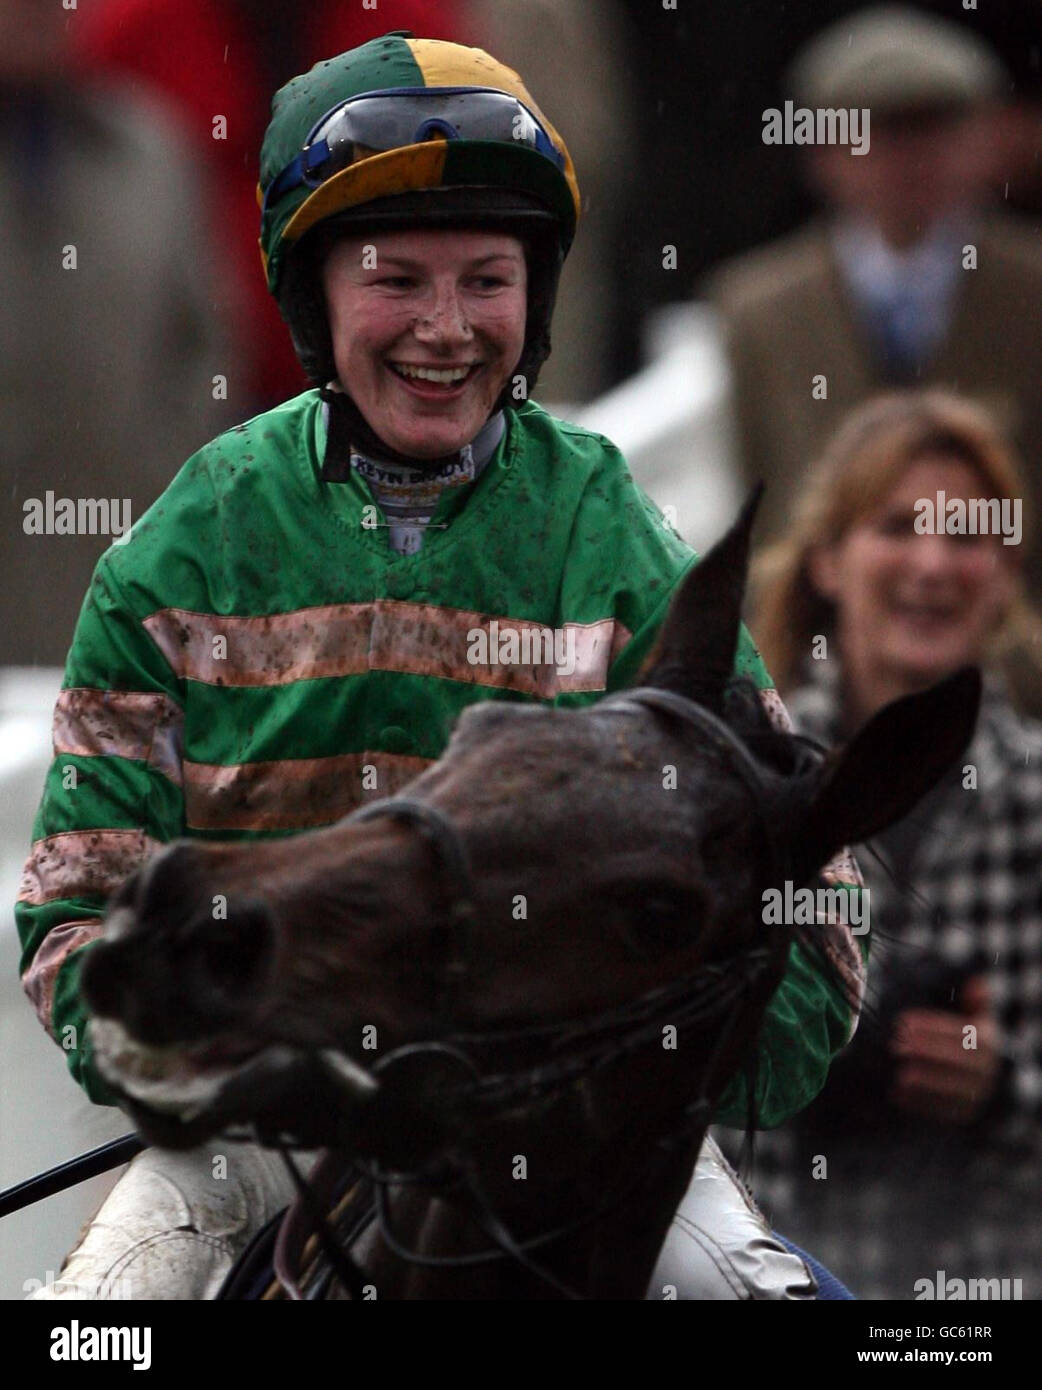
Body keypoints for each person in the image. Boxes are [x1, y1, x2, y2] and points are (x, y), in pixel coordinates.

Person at [17, 33, 861, 1300]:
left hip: (561, 1127)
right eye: (395, 279)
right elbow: (75, 915)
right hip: (253, 1136)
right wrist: (230, 1058)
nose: (446, 328)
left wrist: (628, 1070)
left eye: (486, 279)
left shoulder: (611, 535)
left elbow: (815, 908)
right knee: (92, 1325)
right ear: (311, 297)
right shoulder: (185, 544)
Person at [750, 388, 1042, 1298]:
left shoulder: (1036, 800)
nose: (933, 562)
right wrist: (797, 1063)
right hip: (774, 1278)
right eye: (900, 524)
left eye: (966, 536)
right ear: (829, 561)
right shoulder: (747, 795)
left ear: (1005, 574)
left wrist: (999, 1090)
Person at [708, 5, 1042, 614]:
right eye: (877, 133)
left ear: (984, 139)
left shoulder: (1029, 289)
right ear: (821, 152)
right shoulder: (758, 308)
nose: (908, 158)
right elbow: (758, 501)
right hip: (823, 650)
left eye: (935, 129)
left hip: (1006, 640)